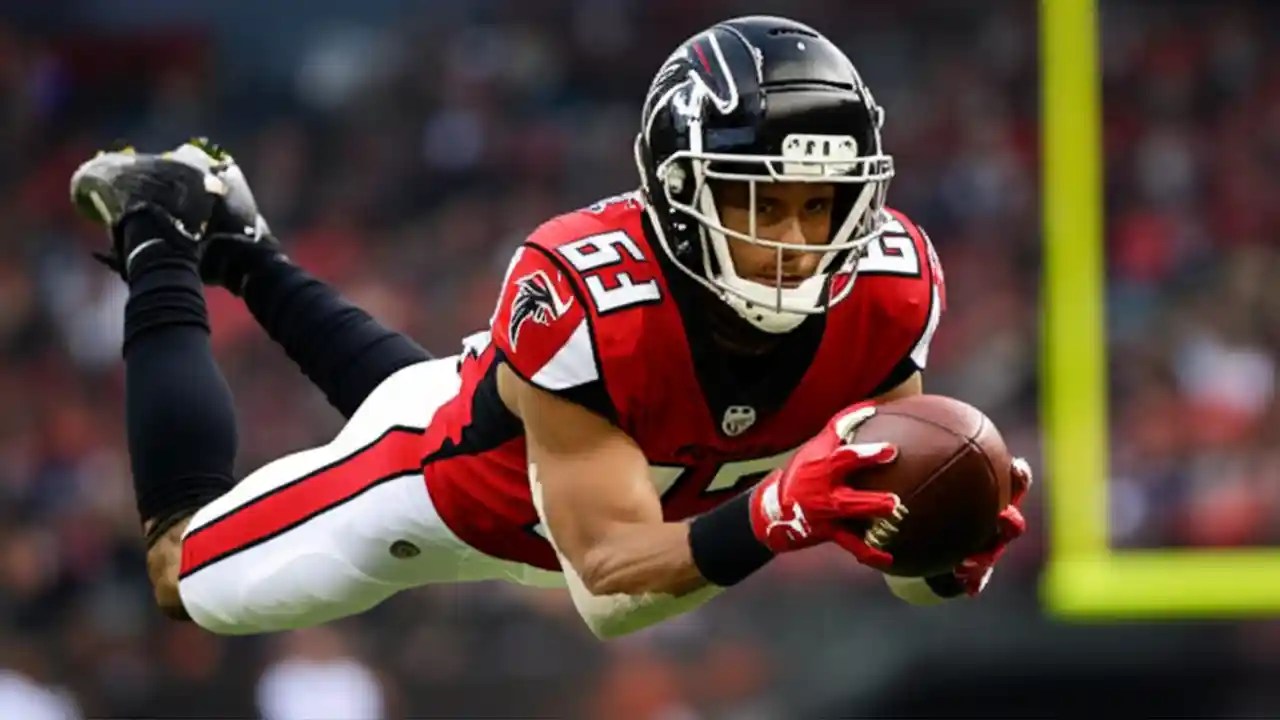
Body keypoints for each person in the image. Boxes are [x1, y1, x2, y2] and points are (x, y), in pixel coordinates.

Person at [69, 15, 1030, 640]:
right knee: (179, 573)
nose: (795, 242)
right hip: (439, 503)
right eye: (760, 203)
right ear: (679, 192)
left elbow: (886, 538)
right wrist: (776, 511)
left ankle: (239, 247)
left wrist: (947, 551)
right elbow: (609, 589)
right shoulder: (584, 286)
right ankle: (158, 225)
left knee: (427, 395)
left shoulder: (889, 288)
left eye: (823, 207)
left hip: (526, 452)